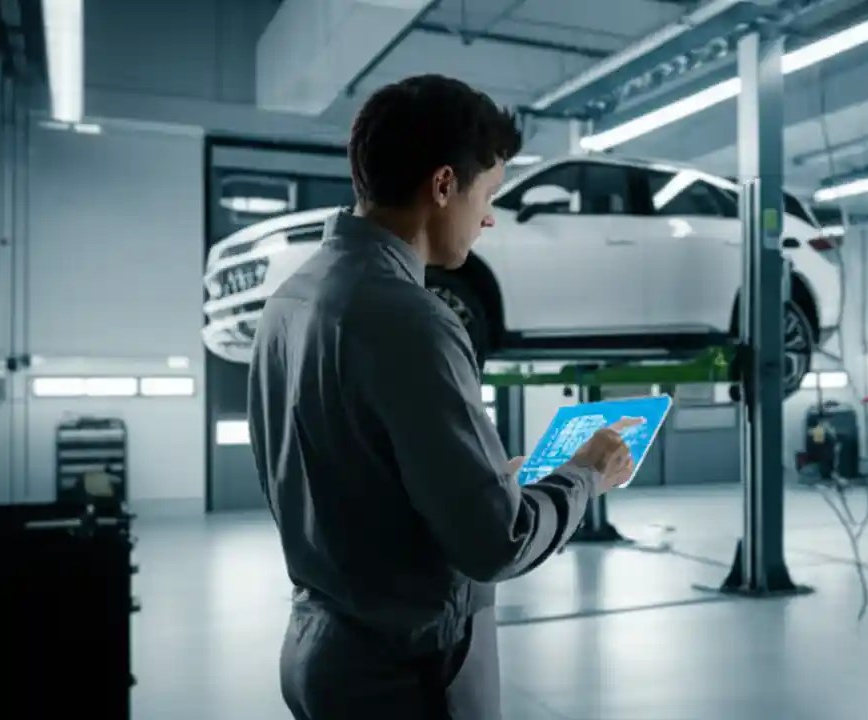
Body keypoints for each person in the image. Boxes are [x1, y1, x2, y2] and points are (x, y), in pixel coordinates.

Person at [246, 74, 640, 719]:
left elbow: (350, 471)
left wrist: (483, 478)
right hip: (406, 671)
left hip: (320, 651)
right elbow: (498, 542)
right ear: (442, 186)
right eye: (487, 195)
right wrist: (585, 476)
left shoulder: (292, 299)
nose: (488, 217)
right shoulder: (412, 318)